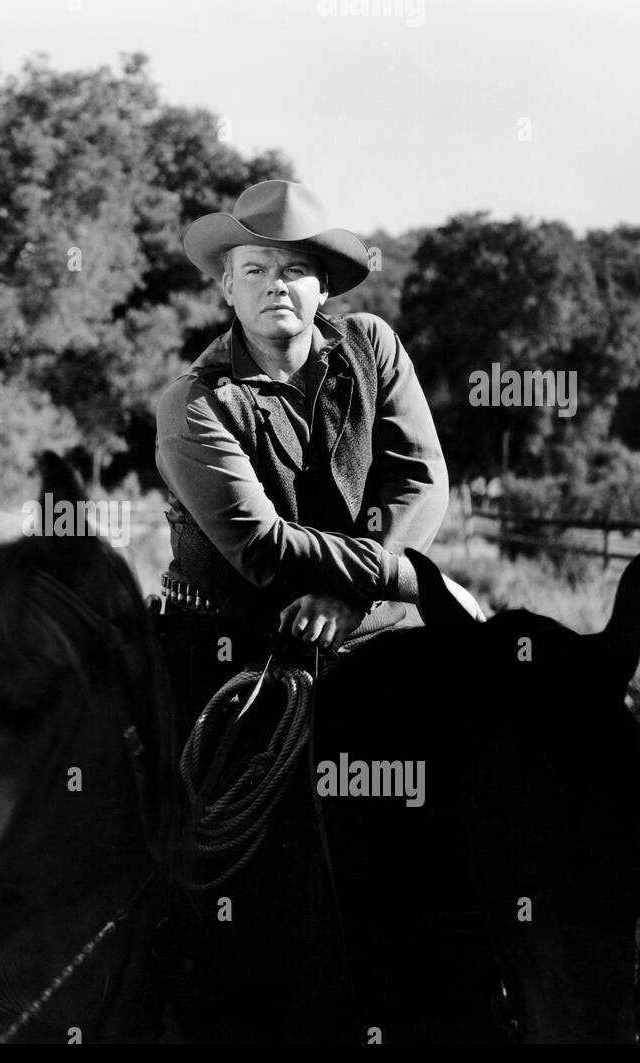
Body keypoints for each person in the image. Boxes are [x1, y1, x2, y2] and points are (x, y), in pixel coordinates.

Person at [155, 179, 478, 740]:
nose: (275, 286)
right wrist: (413, 581)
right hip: (229, 643)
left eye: (295, 270)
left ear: (323, 286)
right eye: (255, 270)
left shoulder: (372, 346)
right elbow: (262, 547)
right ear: (228, 285)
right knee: (201, 802)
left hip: (369, 625)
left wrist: (353, 595)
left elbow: (419, 478)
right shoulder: (196, 401)